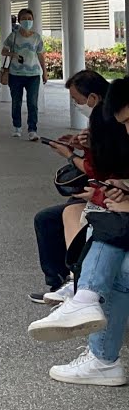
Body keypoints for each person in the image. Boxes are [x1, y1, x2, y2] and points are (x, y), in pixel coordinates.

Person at [28, 77, 129, 386]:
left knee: (111, 240)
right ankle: (82, 295)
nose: (127, 131)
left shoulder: (105, 122)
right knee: (104, 232)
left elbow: (99, 168)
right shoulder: (105, 124)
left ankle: (83, 296)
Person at [32, 70, 124, 303]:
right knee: (56, 217)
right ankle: (72, 285)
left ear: (93, 97)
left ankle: (77, 284)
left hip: (109, 200)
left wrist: (71, 156)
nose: (75, 104)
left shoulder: (106, 120)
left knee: (72, 215)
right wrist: (86, 147)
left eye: (76, 99)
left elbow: (100, 168)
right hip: (108, 194)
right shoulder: (104, 119)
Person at [2, 7, 46, 140]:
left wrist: (44, 72)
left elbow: (41, 55)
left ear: (33, 20)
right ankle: (17, 127)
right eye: (24, 19)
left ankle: (32, 130)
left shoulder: (36, 37)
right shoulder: (14, 36)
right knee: (16, 102)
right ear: (19, 20)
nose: (27, 21)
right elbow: (4, 51)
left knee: (33, 103)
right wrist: (13, 54)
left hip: (33, 75)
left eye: (29, 19)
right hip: (15, 74)